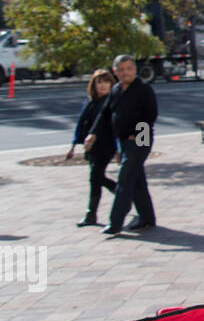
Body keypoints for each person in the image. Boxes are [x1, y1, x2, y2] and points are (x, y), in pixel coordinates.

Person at [85, 54, 158, 236]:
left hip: (141, 137)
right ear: (115, 72)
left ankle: (115, 222)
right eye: (121, 70)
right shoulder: (116, 90)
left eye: (129, 69)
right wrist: (92, 135)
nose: (126, 73)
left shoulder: (144, 89)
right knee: (137, 178)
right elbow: (104, 115)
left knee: (125, 178)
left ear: (135, 70)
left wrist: (136, 134)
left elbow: (151, 115)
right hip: (124, 140)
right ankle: (147, 218)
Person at [65, 69, 118, 227]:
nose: (102, 86)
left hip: (106, 145)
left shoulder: (112, 102)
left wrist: (117, 150)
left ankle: (91, 214)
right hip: (91, 146)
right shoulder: (89, 102)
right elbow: (81, 124)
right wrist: (74, 145)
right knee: (96, 178)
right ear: (93, 85)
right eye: (99, 82)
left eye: (106, 82)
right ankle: (120, 191)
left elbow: (116, 127)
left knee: (95, 177)